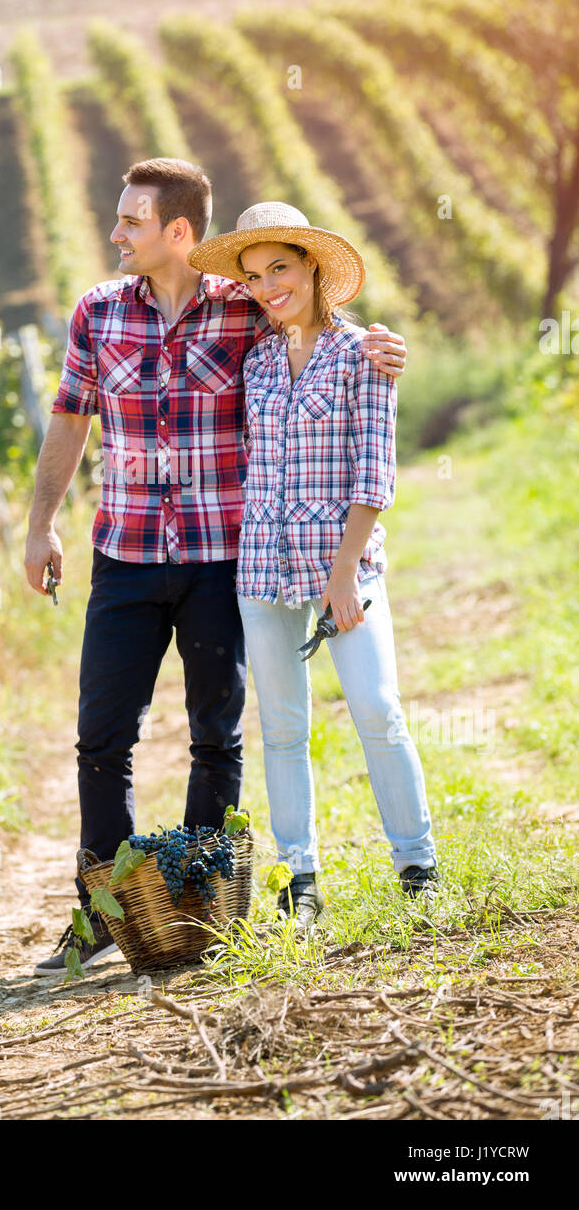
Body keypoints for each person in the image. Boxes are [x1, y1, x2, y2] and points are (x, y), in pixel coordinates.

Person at [24, 160, 408, 973]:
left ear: (178, 233)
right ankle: (101, 908)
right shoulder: (97, 312)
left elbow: (312, 322)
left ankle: (202, 905)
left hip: (218, 557)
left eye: (131, 220)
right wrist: (40, 526)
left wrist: (380, 343)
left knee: (217, 736)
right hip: (124, 552)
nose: (116, 233)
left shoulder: (241, 310)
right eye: (118, 218)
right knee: (101, 738)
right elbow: (68, 420)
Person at [188, 201, 439, 937]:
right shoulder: (254, 361)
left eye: (281, 270)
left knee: (377, 709)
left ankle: (416, 865)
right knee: (283, 727)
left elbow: (375, 479)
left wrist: (341, 577)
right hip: (261, 565)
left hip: (344, 564)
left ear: (313, 269)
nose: (269, 287)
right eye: (256, 277)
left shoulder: (365, 355)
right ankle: (299, 878)